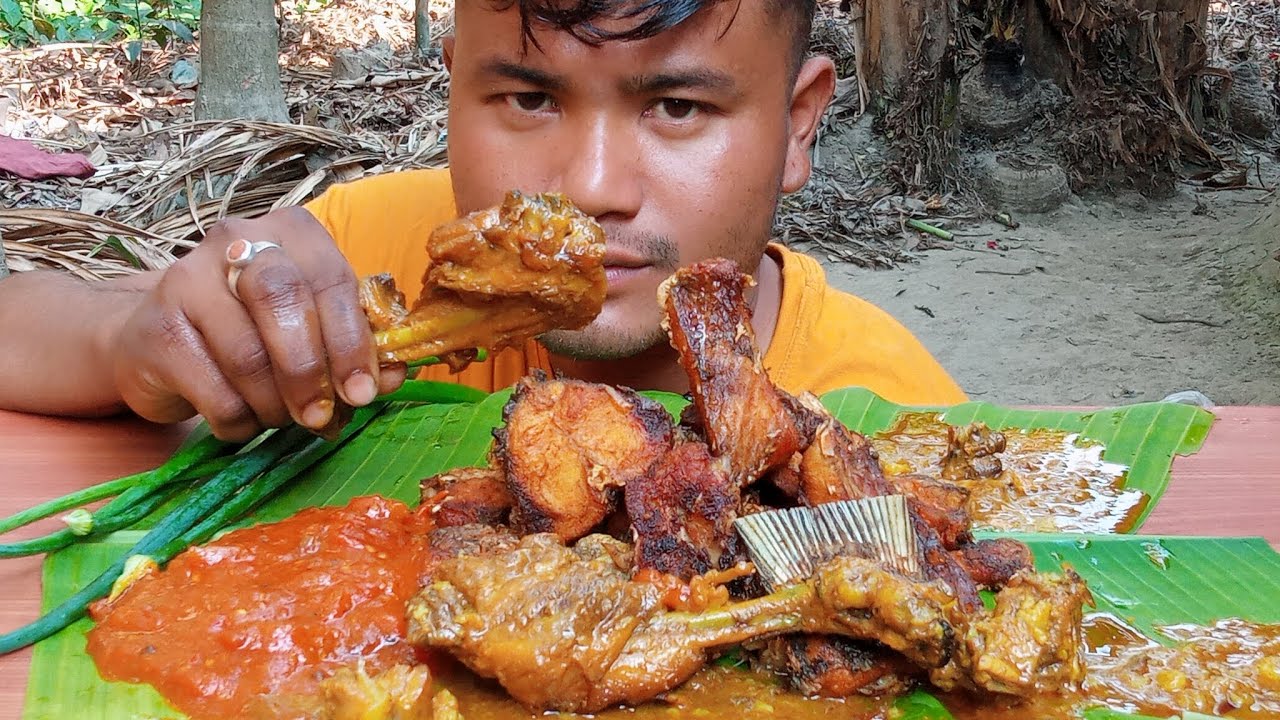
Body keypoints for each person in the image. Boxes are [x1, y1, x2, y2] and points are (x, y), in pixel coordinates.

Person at [0, 0, 965, 442]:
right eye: (529, 99)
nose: (590, 188)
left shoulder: (882, 409)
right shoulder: (362, 259)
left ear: (798, 126)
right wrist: (136, 338)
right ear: (455, 81)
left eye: (677, 108)